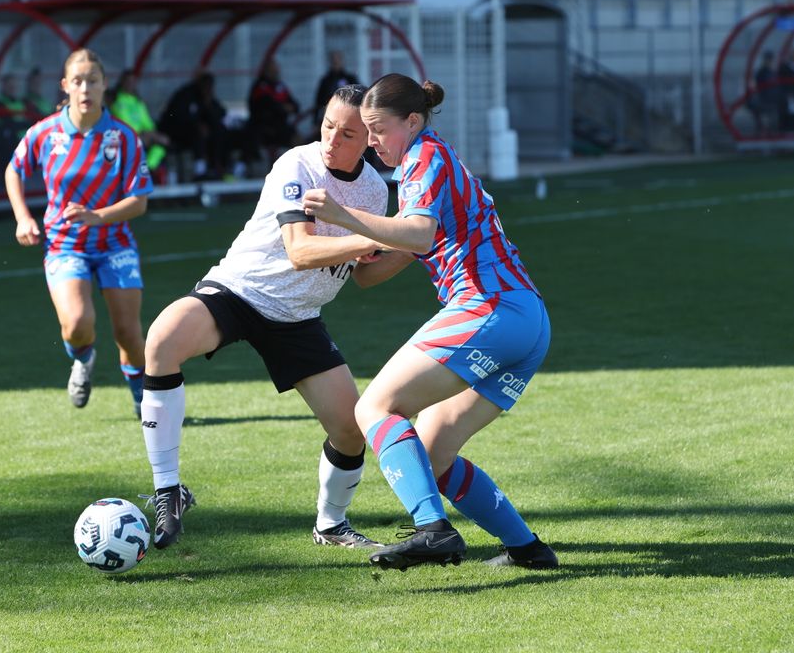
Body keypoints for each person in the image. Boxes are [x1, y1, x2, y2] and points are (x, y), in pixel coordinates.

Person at [301, 73, 558, 572]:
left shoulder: (423, 158)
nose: (371, 141)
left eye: (377, 129)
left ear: (412, 121)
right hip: (525, 323)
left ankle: (432, 530)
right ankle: (529, 550)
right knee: (435, 453)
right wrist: (356, 245)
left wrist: (345, 214)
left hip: (490, 307)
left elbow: (417, 235)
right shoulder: (433, 160)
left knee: (375, 405)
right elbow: (376, 274)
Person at [138, 84, 407, 550]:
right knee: (162, 339)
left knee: (351, 430)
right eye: (327, 126)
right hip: (240, 292)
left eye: (346, 134)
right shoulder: (296, 165)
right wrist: (370, 239)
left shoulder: (373, 190)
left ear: (368, 138)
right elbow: (301, 251)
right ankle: (168, 492)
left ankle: (331, 525)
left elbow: (365, 277)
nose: (331, 140)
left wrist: (412, 246)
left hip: (299, 316)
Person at [4, 49, 153, 415]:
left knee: (129, 334)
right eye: (78, 81)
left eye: (93, 80)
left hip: (115, 243)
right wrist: (23, 217)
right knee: (76, 325)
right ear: (66, 86)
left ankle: (141, 396)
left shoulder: (123, 137)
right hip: (65, 245)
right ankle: (82, 359)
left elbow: (139, 201)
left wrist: (98, 216)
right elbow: (14, 170)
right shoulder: (44, 133)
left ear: (104, 85)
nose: (85, 88)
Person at [158, 71, 229, 181]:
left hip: (196, 135)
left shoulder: (207, 98)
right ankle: (199, 170)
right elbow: (176, 117)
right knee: (198, 132)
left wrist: (208, 105)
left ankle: (218, 167)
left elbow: (221, 113)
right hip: (176, 133)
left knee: (219, 130)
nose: (208, 89)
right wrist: (196, 125)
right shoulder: (185, 95)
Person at [246, 58, 302, 174]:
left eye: (276, 69)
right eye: (273, 69)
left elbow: (295, 106)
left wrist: (284, 108)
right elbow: (269, 106)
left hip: (281, 125)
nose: (276, 72)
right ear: (266, 70)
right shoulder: (260, 86)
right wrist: (284, 108)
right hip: (263, 127)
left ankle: (301, 173)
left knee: (299, 140)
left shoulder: (280, 86)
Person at [109, 70, 169, 179]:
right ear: (122, 82)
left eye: (133, 81)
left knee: (162, 143)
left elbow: (147, 122)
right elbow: (124, 121)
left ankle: (148, 169)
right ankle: (143, 172)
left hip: (143, 134)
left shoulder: (138, 101)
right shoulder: (118, 100)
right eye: (128, 81)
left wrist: (151, 132)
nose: (130, 84)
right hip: (126, 135)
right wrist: (142, 132)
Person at [312, 50, 359, 134]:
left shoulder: (350, 78)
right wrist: (315, 122)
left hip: (348, 116)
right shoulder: (325, 80)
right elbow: (318, 101)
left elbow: (359, 96)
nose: (336, 62)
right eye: (333, 60)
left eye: (338, 59)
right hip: (330, 116)